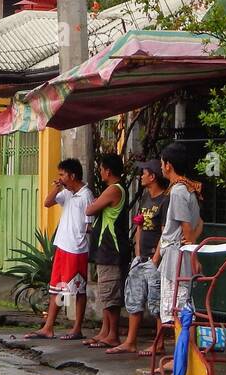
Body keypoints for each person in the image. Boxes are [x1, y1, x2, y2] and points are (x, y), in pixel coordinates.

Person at [24, 158, 93, 341]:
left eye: (62, 174)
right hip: (62, 245)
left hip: (77, 248)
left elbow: (89, 225)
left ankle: (77, 327)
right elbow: (47, 202)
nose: (60, 177)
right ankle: (49, 327)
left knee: (77, 289)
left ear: (72, 175)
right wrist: (57, 187)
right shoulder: (67, 193)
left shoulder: (86, 195)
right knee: (57, 287)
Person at [107, 158, 170, 356]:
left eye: (144, 173)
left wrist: (155, 259)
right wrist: (138, 254)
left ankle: (158, 344)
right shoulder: (146, 199)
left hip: (155, 259)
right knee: (134, 299)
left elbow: (165, 232)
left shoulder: (164, 200)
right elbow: (140, 226)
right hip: (141, 257)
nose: (141, 176)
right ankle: (130, 341)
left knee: (156, 302)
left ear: (152, 176)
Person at [156, 142, 204, 330]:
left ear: (168, 165)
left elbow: (186, 226)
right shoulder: (188, 189)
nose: (161, 166)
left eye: (162, 162)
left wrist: (191, 250)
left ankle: (182, 356)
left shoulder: (178, 191)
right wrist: (192, 245)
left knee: (177, 311)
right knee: (181, 308)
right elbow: (199, 223)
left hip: (176, 256)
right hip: (181, 252)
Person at [84, 152, 130, 347]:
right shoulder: (112, 189)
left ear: (108, 171)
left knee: (111, 293)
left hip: (112, 248)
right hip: (105, 248)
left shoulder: (114, 189)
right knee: (105, 292)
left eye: (101, 169)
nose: (100, 172)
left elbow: (90, 209)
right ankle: (105, 331)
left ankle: (112, 334)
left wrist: (95, 203)